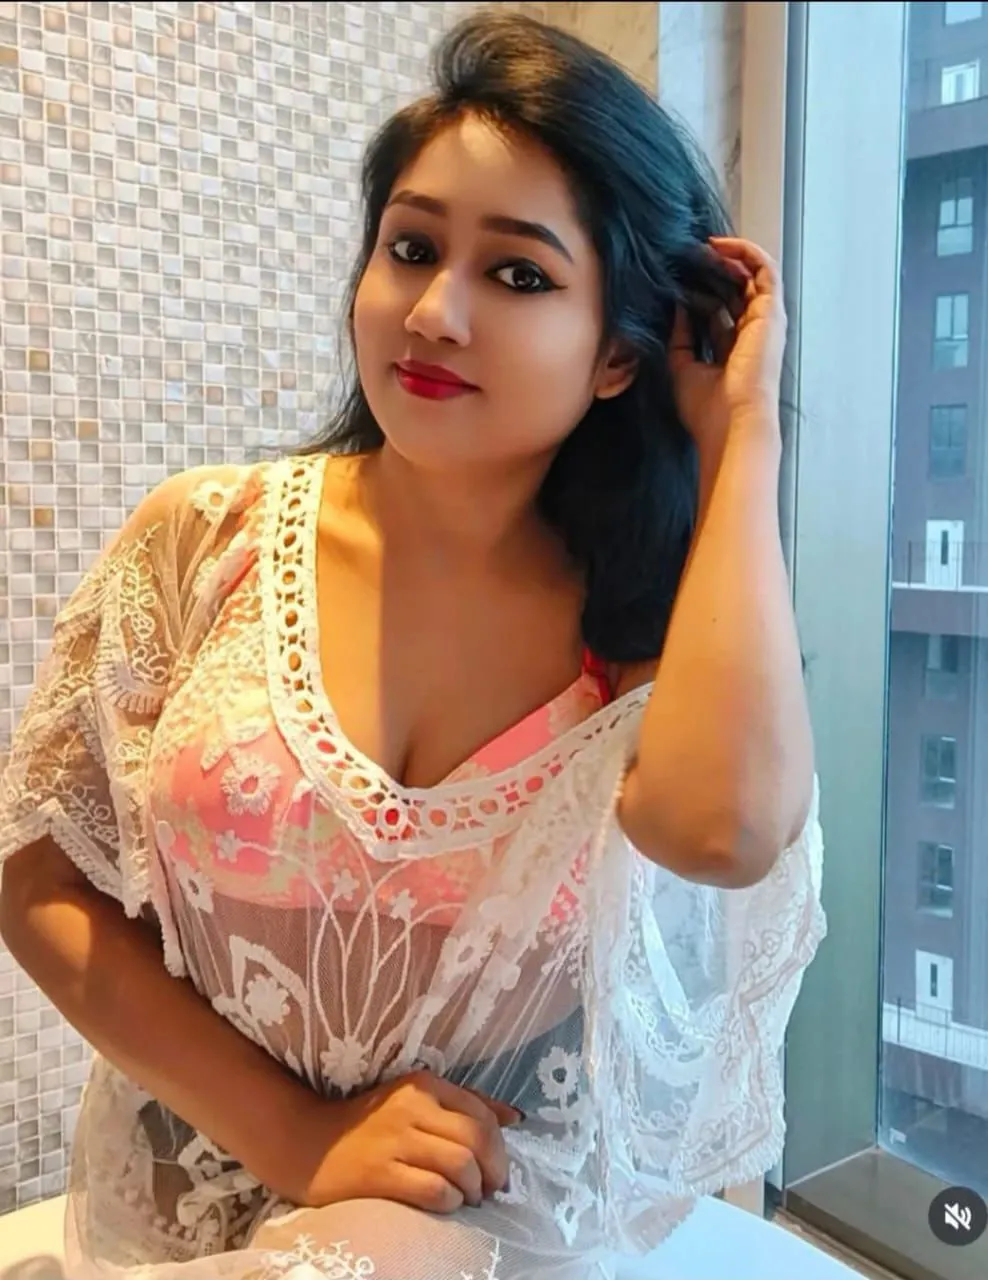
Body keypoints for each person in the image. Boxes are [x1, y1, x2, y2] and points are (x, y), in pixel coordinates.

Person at [0, 13, 825, 1280]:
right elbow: (39, 876)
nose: (434, 312)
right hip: (167, 1208)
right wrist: (297, 1134)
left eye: (519, 275)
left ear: (618, 355)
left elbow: (723, 830)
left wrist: (740, 434)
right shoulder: (204, 539)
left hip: (480, 1222)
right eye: (411, 247)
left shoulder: (649, 625)